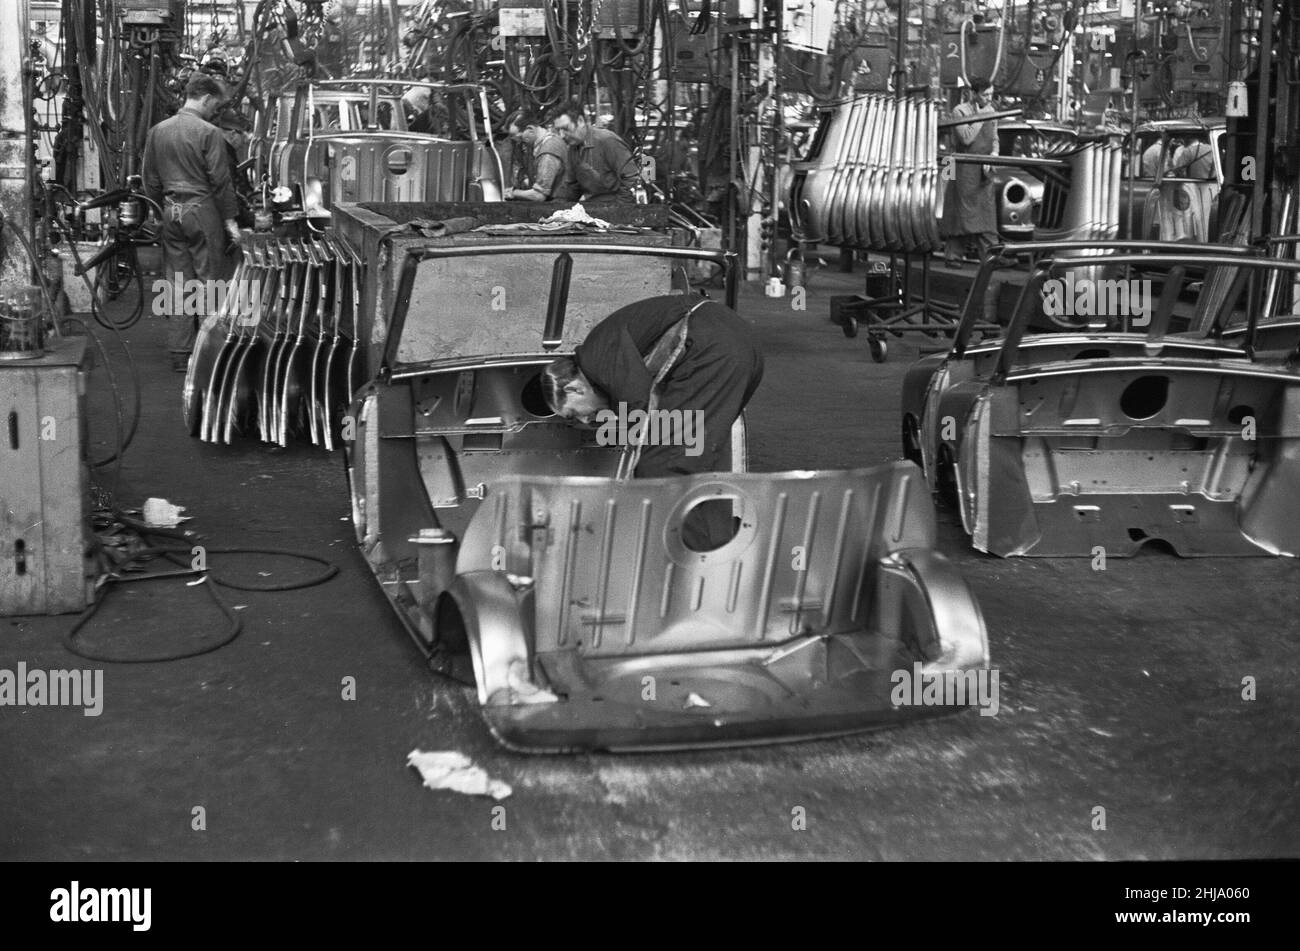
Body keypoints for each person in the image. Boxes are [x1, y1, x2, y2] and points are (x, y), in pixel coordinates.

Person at [542, 293, 764, 548]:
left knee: (662, 464)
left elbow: (640, 407)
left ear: (574, 389)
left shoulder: (595, 358)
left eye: (573, 413)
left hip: (712, 348)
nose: (584, 419)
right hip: (736, 344)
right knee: (700, 455)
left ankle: (687, 554)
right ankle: (716, 542)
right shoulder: (602, 352)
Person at [142, 73, 241, 371]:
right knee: (209, 280)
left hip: (171, 211)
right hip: (203, 211)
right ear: (207, 98)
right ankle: (209, 352)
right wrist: (230, 221)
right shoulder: (209, 133)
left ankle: (180, 353)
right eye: (216, 106)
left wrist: (165, 206)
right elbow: (221, 182)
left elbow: (150, 180)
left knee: (177, 281)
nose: (216, 112)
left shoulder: (157, 131)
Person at [941, 78, 1000, 269]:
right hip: (964, 168)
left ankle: (991, 256)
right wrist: (980, 115)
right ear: (973, 94)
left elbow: (995, 138)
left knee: (986, 213)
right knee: (961, 213)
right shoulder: (960, 111)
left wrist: (993, 155)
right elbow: (966, 138)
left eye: (991, 94)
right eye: (985, 95)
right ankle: (953, 256)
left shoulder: (991, 111)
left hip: (984, 168)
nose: (989, 99)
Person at [550, 101, 640, 204]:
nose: (561, 135)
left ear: (580, 121)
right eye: (558, 130)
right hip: (594, 208)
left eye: (565, 128)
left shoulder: (607, 140)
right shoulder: (572, 150)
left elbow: (632, 179)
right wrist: (556, 209)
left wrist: (618, 209)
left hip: (616, 208)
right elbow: (571, 188)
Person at [504, 110, 569, 201]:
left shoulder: (548, 150)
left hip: (558, 207)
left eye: (520, 137)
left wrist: (514, 193)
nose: (519, 142)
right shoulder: (535, 145)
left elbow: (539, 196)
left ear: (530, 129)